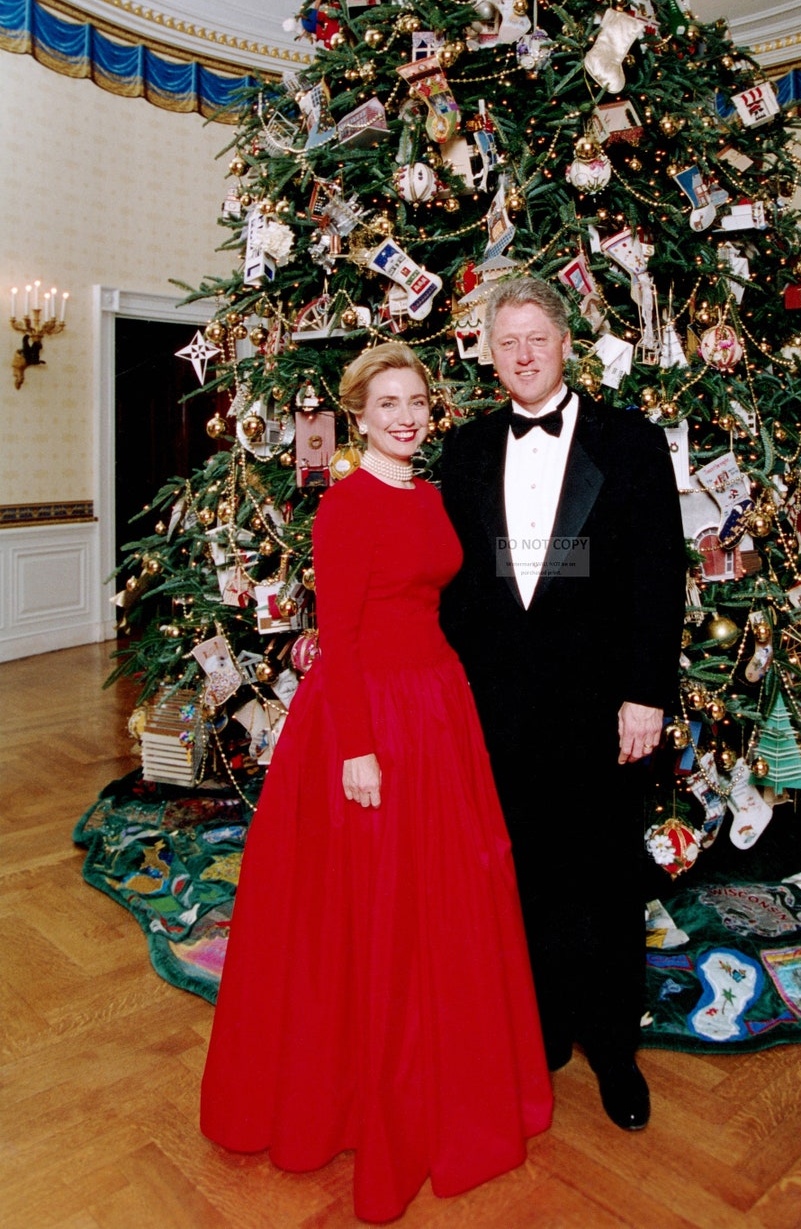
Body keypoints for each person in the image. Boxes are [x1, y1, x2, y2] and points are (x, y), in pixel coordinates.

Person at [201, 343, 552, 1223]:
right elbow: (344, 638)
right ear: (359, 416)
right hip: (369, 718)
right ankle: (365, 1096)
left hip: (439, 708)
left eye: (416, 402)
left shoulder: (434, 495)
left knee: (445, 902)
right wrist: (356, 747)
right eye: (387, 403)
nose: (404, 416)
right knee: (371, 910)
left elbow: (460, 596)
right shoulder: (344, 506)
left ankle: (447, 1078)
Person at [440, 278, 686, 1131]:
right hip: (501, 710)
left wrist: (645, 694)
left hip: (604, 711)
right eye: (506, 342)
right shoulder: (466, 451)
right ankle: (541, 1028)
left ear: (567, 341)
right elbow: (457, 589)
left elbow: (661, 577)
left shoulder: (631, 442)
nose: (523, 355)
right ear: (489, 351)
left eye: (536, 338)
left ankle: (615, 1051)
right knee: (525, 876)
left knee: (607, 881)